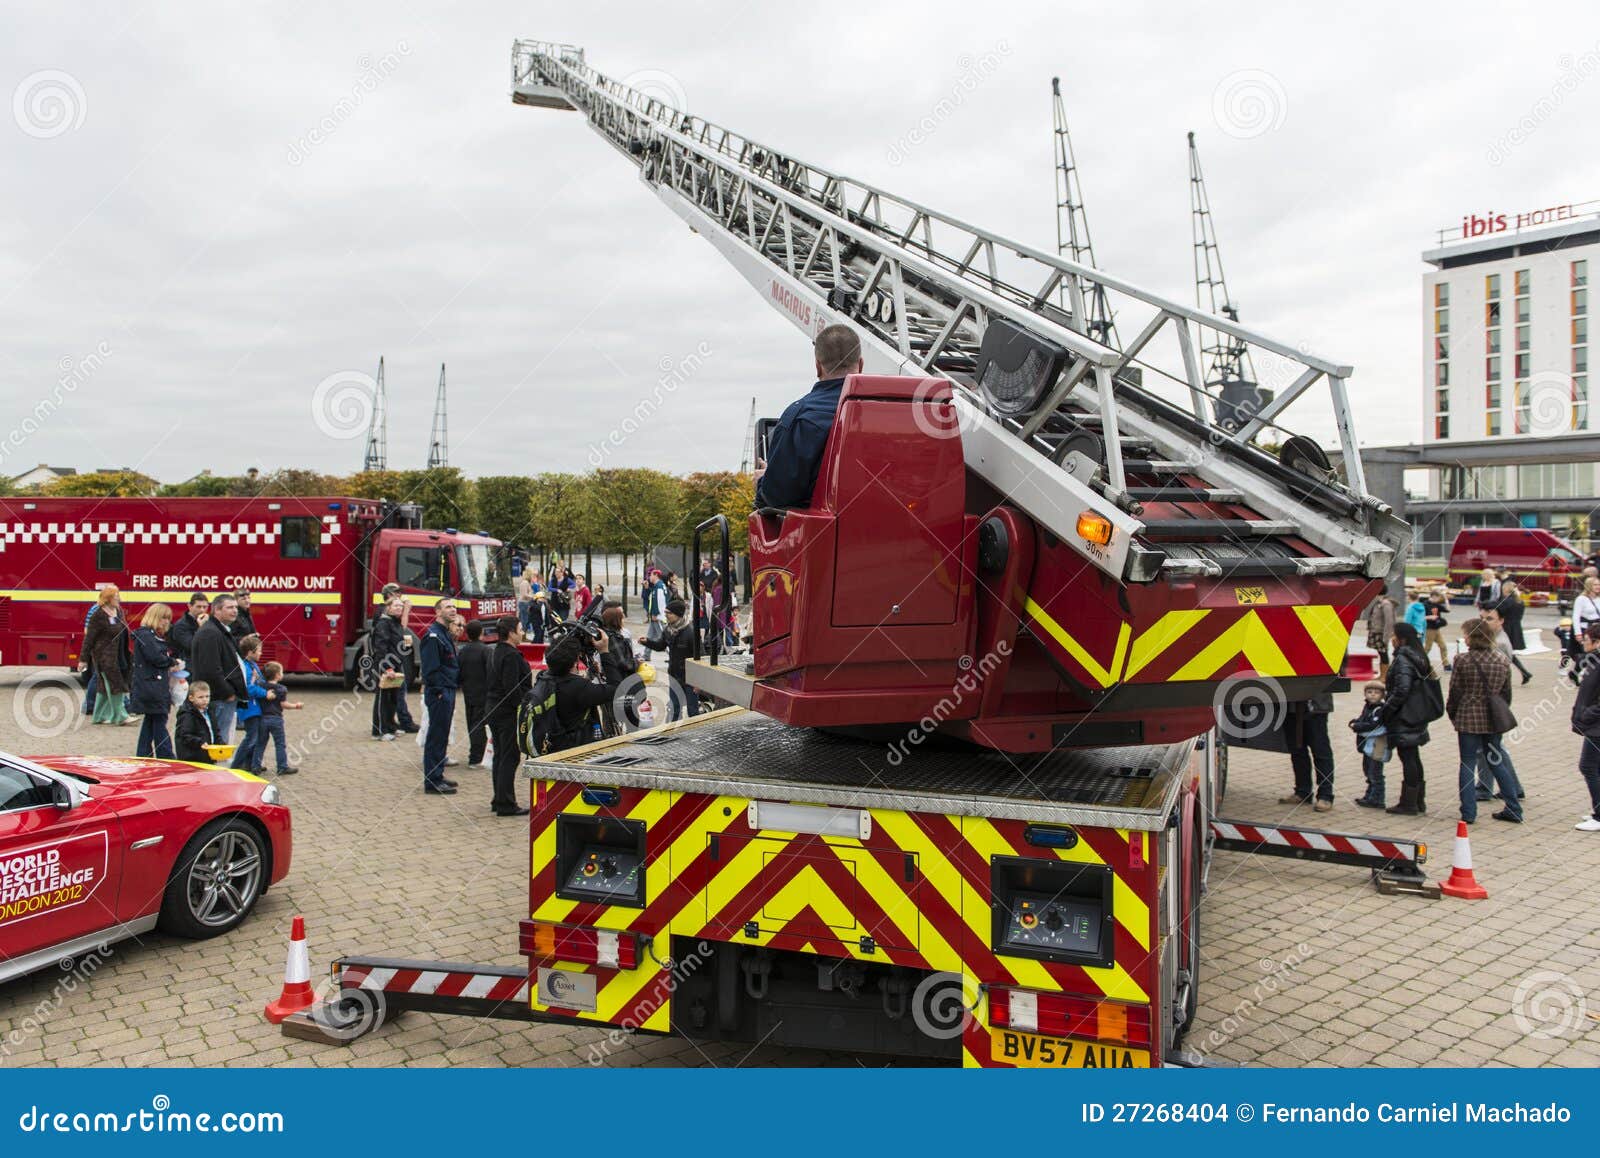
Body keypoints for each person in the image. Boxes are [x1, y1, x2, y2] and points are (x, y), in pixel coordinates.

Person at [754, 323, 865, 510]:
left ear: (818, 366)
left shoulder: (801, 418)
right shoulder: (895, 414)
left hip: (825, 528)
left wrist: (763, 480)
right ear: (860, 364)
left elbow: (776, 498)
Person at [1448, 618, 1523, 824]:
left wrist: (1453, 713)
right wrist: (1499, 711)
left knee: (1467, 763)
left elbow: (1455, 691)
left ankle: (1468, 812)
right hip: (1493, 718)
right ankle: (1513, 807)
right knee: (1496, 761)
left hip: (1468, 716)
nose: (1464, 638)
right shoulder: (1502, 660)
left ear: (1471, 637)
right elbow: (1506, 694)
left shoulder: (1462, 660)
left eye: (1466, 634)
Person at [1380, 623, 1434, 817]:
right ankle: (1418, 800)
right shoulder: (1418, 655)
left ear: (1401, 639)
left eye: (1394, 636)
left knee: (1408, 757)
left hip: (1404, 715)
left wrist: (1387, 710)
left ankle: (1409, 803)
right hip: (1416, 713)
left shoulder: (1403, 659)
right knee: (1413, 756)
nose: (1392, 639)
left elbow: (1402, 689)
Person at [545, 629, 623, 750]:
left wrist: (589, 673)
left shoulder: (543, 678)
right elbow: (616, 688)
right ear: (575, 661)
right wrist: (604, 652)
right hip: (577, 749)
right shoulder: (578, 687)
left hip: (553, 744)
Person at [484, 617, 532, 812]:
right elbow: (511, 687)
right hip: (507, 713)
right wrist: (523, 709)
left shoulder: (496, 651)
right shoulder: (511, 655)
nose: (523, 633)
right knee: (509, 757)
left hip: (494, 708)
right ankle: (506, 802)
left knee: (500, 755)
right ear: (511, 633)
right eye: (520, 629)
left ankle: (499, 798)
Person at [419, 599, 461, 795]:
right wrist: (439, 691)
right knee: (436, 736)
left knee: (442, 735)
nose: (453, 610)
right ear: (437, 612)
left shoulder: (444, 633)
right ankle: (432, 781)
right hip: (440, 692)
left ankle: (438, 774)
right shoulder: (433, 636)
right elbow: (430, 669)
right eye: (448, 607)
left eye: (454, 607)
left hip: (447, 689)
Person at [191, 593, 246, 741]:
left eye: (235, 607)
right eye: (230, 607)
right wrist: (228, 693)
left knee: (223, 738)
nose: (235, 611)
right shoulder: (210, 633)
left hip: (222, 697)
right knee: (219, 740)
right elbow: (210, 669)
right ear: (217, 610)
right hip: (219, 698)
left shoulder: (220, 630)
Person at [129, 603, 177, 758]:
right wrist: (172, 662)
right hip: (152, 687)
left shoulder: (151, 635)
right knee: (159, 722)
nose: (166, 621)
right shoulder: (147, 636)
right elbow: (156, 658)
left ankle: (144, 754)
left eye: (168, 618)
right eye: (163, 618)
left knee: (151, 722)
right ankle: (166, 755)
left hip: (152, 685)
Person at [641, 597, 699, 721]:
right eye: (665, 612)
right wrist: (647, 642)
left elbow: (700, 657)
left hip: (690, 678)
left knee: (692, 711)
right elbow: (660, 646)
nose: (666, 615)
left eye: (669, 613)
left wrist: (699, 682)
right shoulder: (668, 630)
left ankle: (697, 731)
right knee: (674, 709)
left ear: (678, 615)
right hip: (674, 675)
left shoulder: (690, 632)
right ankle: (674, 731)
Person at [83, 586, 133, 726]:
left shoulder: (118, 611)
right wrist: (83, 659)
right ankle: (121, 716)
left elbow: (123, 629)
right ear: (108, 598)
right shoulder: (98, 614)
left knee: (104, 687)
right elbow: (89, 638)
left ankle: (98, 716)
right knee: (115, 684)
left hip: (119, 653)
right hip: (104, 656)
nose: (119, 598)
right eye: (116, 596)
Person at [1279, 692, 1335, 812]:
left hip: (1316, 705)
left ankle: (1325, 795)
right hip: (1290, 705)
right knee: (1297, 751)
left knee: (1320, 750)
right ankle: (1303, 792)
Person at [1570, 621, 1600, 832]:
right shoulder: (1594, 660)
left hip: (1596, 726)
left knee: (1588, 766)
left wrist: (1587, 715)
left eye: (1587, 640)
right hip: (1593, 723)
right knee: (1595, 767)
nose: (1583, 643)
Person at [370, 595, 407, 741]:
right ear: (388, 608)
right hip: (385, 666)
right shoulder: (383, 624)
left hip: (396, 664)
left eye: (401, 606)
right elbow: (381, 647)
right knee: (383, 698)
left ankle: (390, 726)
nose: (399, 608)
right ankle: (379, 731)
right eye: (396, 605)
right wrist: (387, 668)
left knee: (393, 698)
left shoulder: (396, 623)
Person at [598, 602, 639, 732]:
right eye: (622, 617)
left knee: (611, 717)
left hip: (610, 682)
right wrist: (637, 663)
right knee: (628, 717)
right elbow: (623, 663)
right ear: (616, 620)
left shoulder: (605, 635)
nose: (624, 620)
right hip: (621, 682)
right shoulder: (614, 638)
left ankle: (613, 735)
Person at [230, 635, 269, 771]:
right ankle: (236, 765)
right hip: (250, 708)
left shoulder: (252, 665)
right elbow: (248, 689)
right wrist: (265, 693)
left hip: (254, 707)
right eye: (259, 651)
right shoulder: (247, 667)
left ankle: (250, 764)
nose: (261, 653)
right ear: (250, 652)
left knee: (255, 737)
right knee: (251, 738)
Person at [256, 661, 302, 775]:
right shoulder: (281, 689)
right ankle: (282, 767)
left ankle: (255, 766)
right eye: (281, 672)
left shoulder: (260, 687)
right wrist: (296, 706)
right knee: (280, 744)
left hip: (262, 718)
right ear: (277, 675)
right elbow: (283, 704)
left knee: (260, 744)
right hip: (276, 719)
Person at [457, 619, 492, 768]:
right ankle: (476, 757)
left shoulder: (462, 651)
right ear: (481, 633)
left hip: (468, 692)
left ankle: (476, 754)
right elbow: (491, 672)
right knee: (479, 725)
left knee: (471, 723)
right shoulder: (486, 650)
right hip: (483, 693)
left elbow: (458, 672)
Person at [1349, 680, 1390, 808]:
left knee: (1375, 772)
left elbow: (1373, 725)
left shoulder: (1380, 709)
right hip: (1368, 745)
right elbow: (1363, 719)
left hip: (1377, 744)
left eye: (1376, 692)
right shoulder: (1368, 707)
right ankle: (1369, 795)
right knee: (1368, 770)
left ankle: (1377, 799)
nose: (1372, 694)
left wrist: (1357, 726)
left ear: (1382, 695)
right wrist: (1355, 721)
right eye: (1369, 692)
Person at [1480, 604, 1532, 686]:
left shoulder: (1504, 602)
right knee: (1509, 653)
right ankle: (1525, 673)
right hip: (1511, 628)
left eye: (1489, 619)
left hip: (1507, 627)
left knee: (1505, 651)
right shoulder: (1518, 602)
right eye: (1481, 618)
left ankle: (1525, 673)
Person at [173, 681, 218, 763]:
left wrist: (220, 743)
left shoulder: (210, 711)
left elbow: (215, 730)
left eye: (207, 696)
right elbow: (185, 735)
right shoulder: (187, 714)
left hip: (207, 755)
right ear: (191, 698)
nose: (205, 700)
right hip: (192, 758)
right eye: (200, 697)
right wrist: (200, 742)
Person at [169, 592, 209, 670]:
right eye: (198, 607)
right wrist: (201, 628)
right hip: (188, 667)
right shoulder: (181, 625)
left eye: (205, 607)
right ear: (190, 606)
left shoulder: (208, 622)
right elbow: (192, 646)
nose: (202, 610)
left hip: (204, 664)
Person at [1422, 587, 1450, 674]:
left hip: (1436, 629)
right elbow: (1419, 617)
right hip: (1429, 629)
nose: (1439, 600)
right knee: (1427, 648)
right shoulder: (1425, 604)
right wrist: (1429, 617)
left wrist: (1446, 599)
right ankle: (1420, 662)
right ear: (1434, 596)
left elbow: (1448, 610)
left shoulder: (1437, 604)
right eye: (1439, 598)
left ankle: (1446, 664)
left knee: (1443, 646)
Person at [515, 570, 535, 636]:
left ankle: (524, 635)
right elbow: (524, 595)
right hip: (524, 603)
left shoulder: (527, 583)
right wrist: (532, 597)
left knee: (526, 620)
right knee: (524, 620)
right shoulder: (525, 583)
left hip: (526, 603)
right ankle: (522, 635)